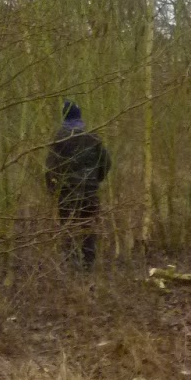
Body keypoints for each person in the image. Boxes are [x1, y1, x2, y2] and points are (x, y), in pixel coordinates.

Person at [45, 100, 111, 270]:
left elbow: (49, 170)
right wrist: (95, 181)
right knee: (88, 228)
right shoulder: (93, 140)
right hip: (89, 194)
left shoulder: (58, 142)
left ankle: (72, 265)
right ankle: (88, 265)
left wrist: (53, 192)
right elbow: (106, 163)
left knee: (69, 229)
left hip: (66, 195)